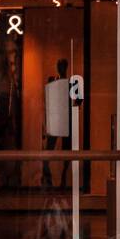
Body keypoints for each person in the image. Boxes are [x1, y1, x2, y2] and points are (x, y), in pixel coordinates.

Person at [41, 60, 72, 191]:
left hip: (66, 121)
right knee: (48, 151)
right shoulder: (54, 82)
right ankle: (48, 178)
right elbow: (48, 102)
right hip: (56, 120)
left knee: (67, 152)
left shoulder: (71, 84)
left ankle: (63, 178)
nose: (60, 69)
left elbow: (77, 103)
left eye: (62, 67)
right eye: (59, 66)